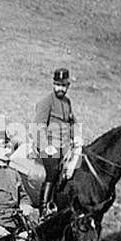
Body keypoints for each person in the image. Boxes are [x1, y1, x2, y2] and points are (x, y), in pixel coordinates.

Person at [32, 66, 80, 204]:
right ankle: (45, 206)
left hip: (64, 146)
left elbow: (72, 122)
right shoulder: (46, 102)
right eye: (58, 85)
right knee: (52, 171)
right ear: (53, 84)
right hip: (48, 145)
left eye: (63, 86)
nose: (61, 89)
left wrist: (76, 137)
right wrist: (46, 146)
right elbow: (38, 126)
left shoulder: (67, 102)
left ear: (68, 86)